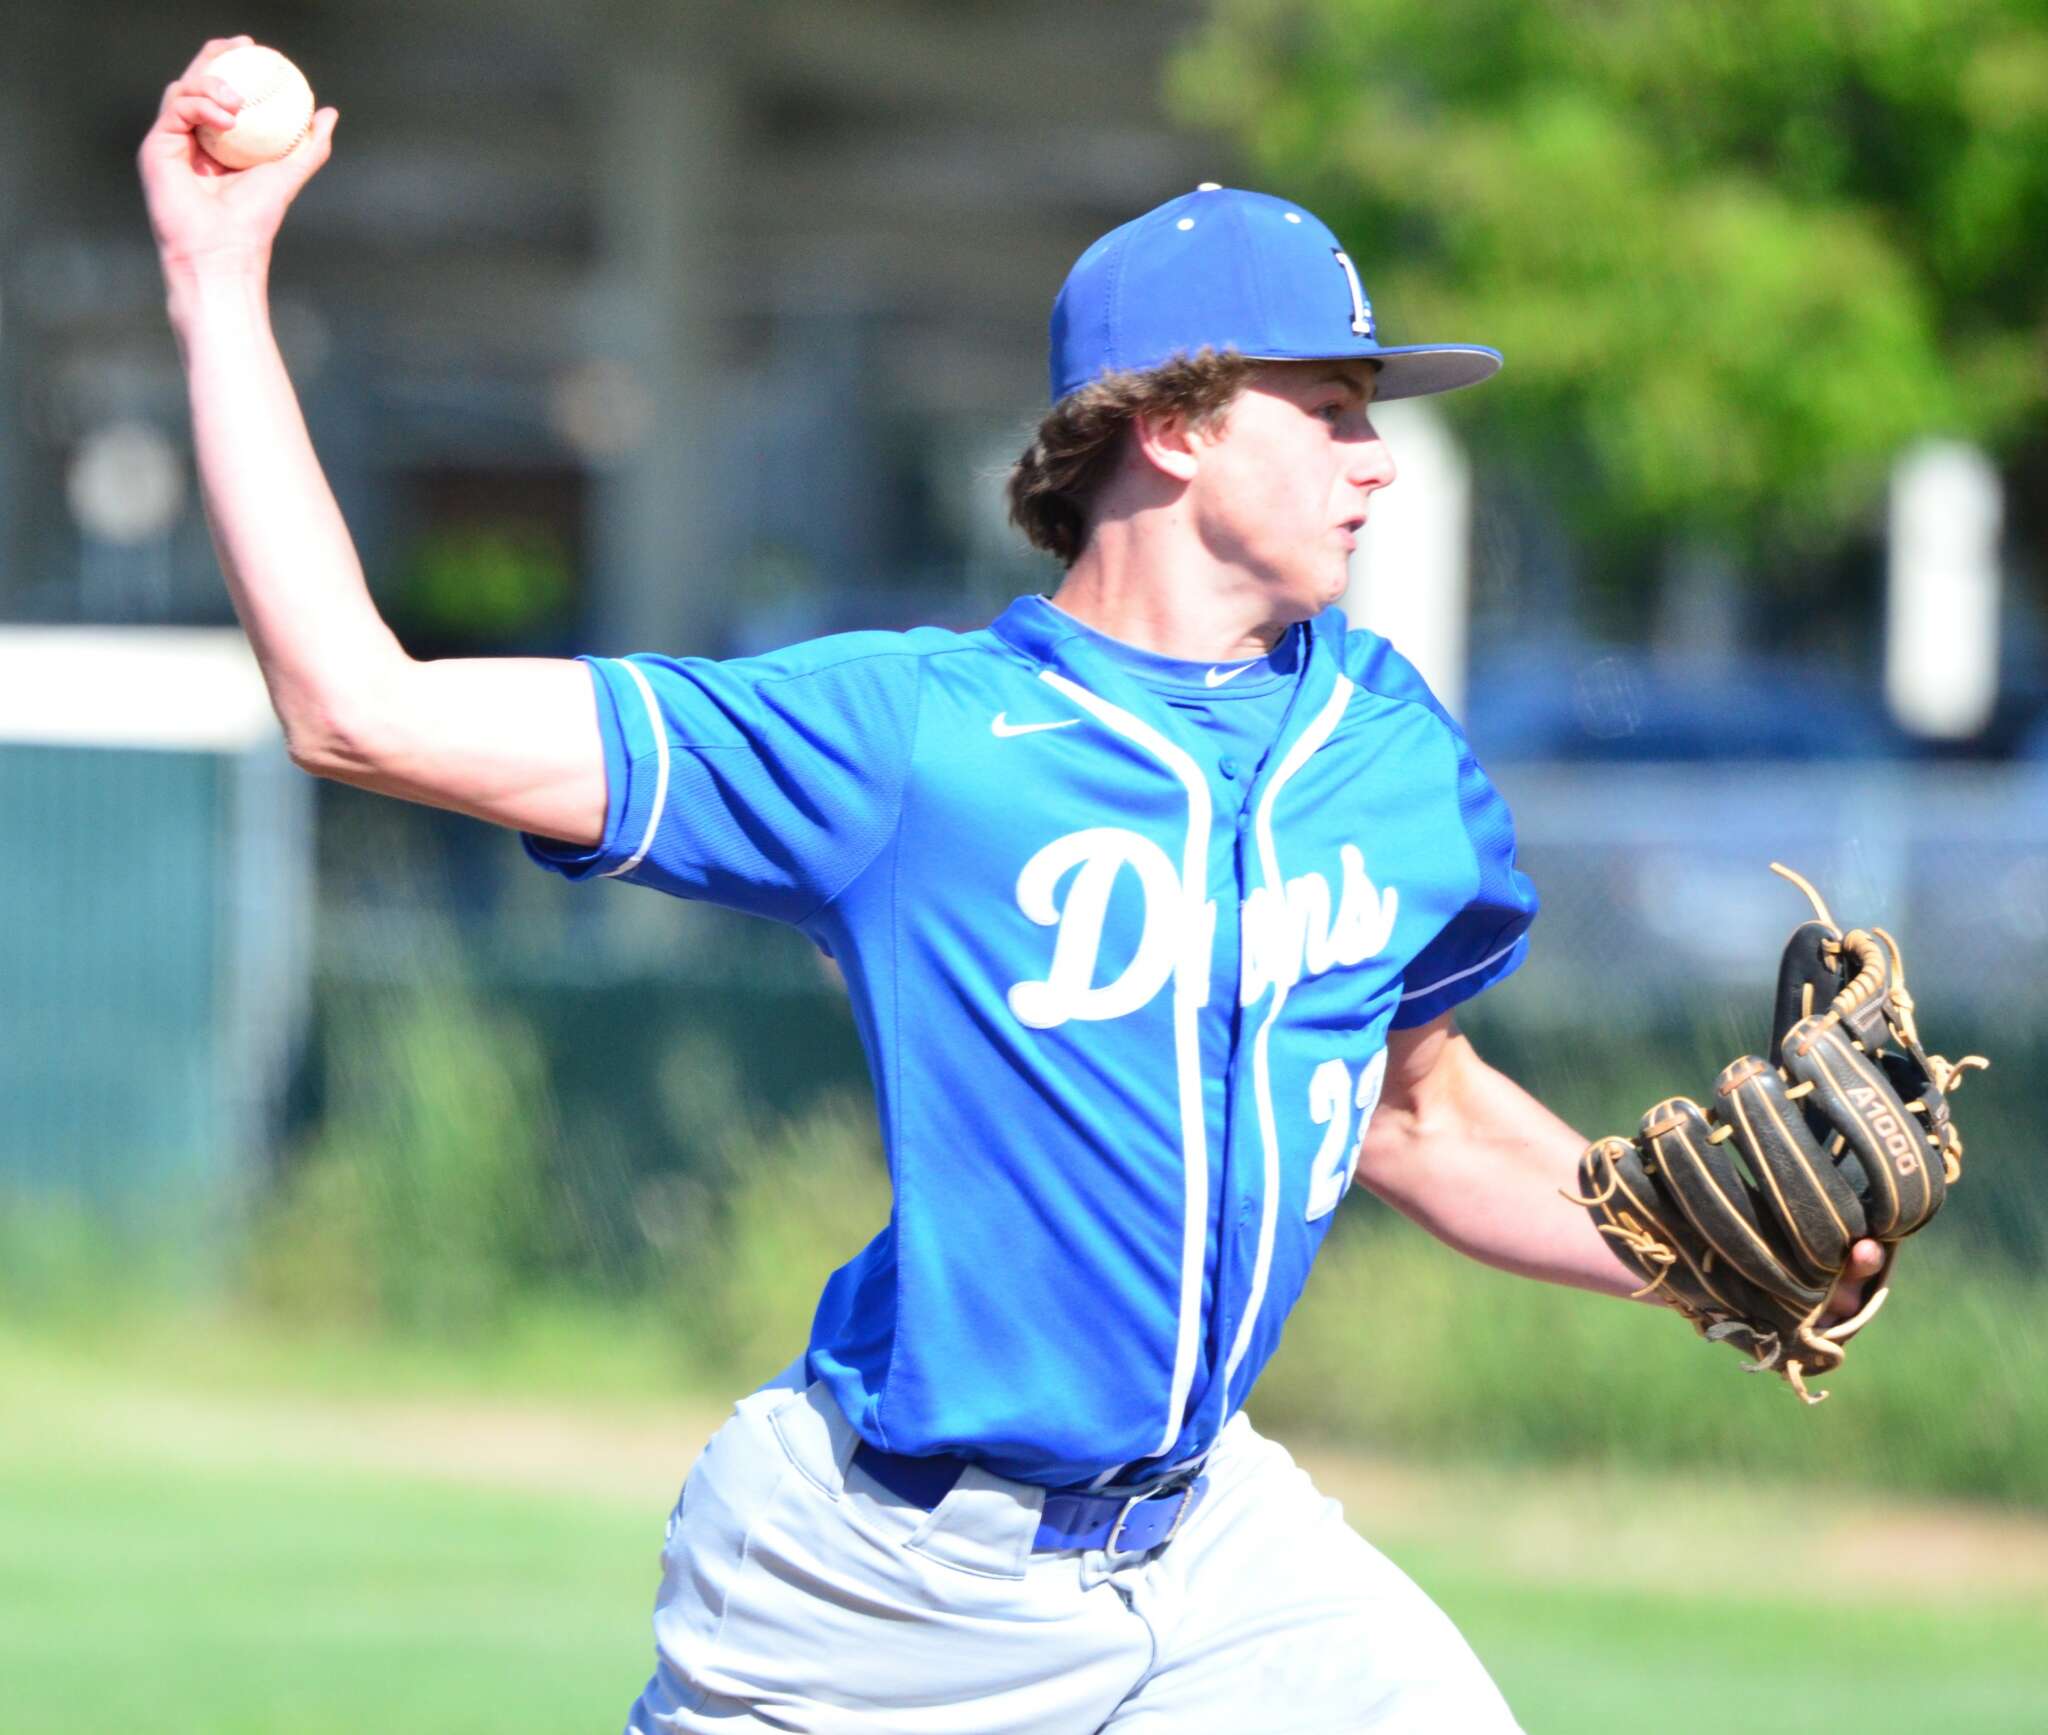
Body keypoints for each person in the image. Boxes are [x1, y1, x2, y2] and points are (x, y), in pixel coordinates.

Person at [143, 41, 1885, 1733]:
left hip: (1215, 1555)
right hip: (887, 1586)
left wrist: (1701, 1260)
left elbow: (1418, 1121)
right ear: (1177, 427)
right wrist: (221, 276)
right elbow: (355, 709)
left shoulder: (1386, 747)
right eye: (1335, 409)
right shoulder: (920, 743)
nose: (1378, 459)